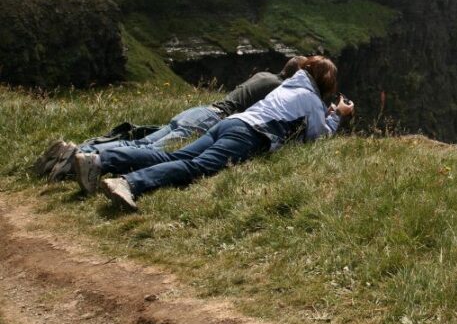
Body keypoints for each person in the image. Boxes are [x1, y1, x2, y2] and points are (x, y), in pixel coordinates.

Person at [72, 56, 354, 210]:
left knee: (175, 155)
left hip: (231, 122)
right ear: (326, 83)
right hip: (249, 134)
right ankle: (130, 184)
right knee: (196, 167)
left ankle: (99, 161)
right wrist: (338, 116)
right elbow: (318, 137)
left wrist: (325, 113)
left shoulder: (290, 86)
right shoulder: (313, 101)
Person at [34, 57, 308, 181]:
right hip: (211, 122)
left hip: (201, 111)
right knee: (149, 149)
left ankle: (77, 151)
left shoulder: (264, 76)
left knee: (144, 143)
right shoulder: (277, 88)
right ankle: (78, 160)